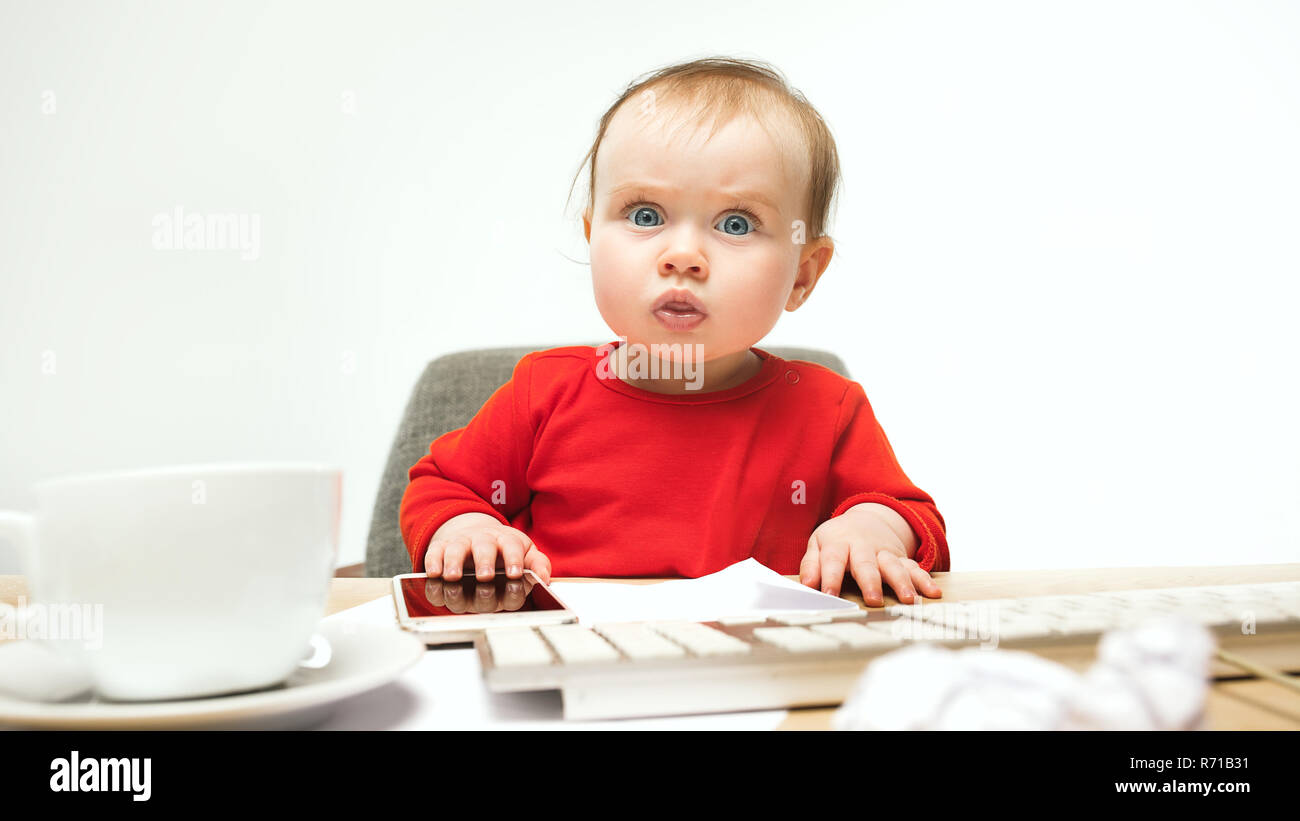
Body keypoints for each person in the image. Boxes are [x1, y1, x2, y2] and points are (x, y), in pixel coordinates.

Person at [400, 57, 948, 605]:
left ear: (803, 274)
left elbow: (911, 517)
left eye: (736, 223)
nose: (682, 256)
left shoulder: (827, 410)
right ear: (593, 238)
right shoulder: (541, 394)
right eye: (644, 215)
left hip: (752, 672)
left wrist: (873, 529)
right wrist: (467, 528)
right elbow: (443, 488)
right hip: (577, 663)